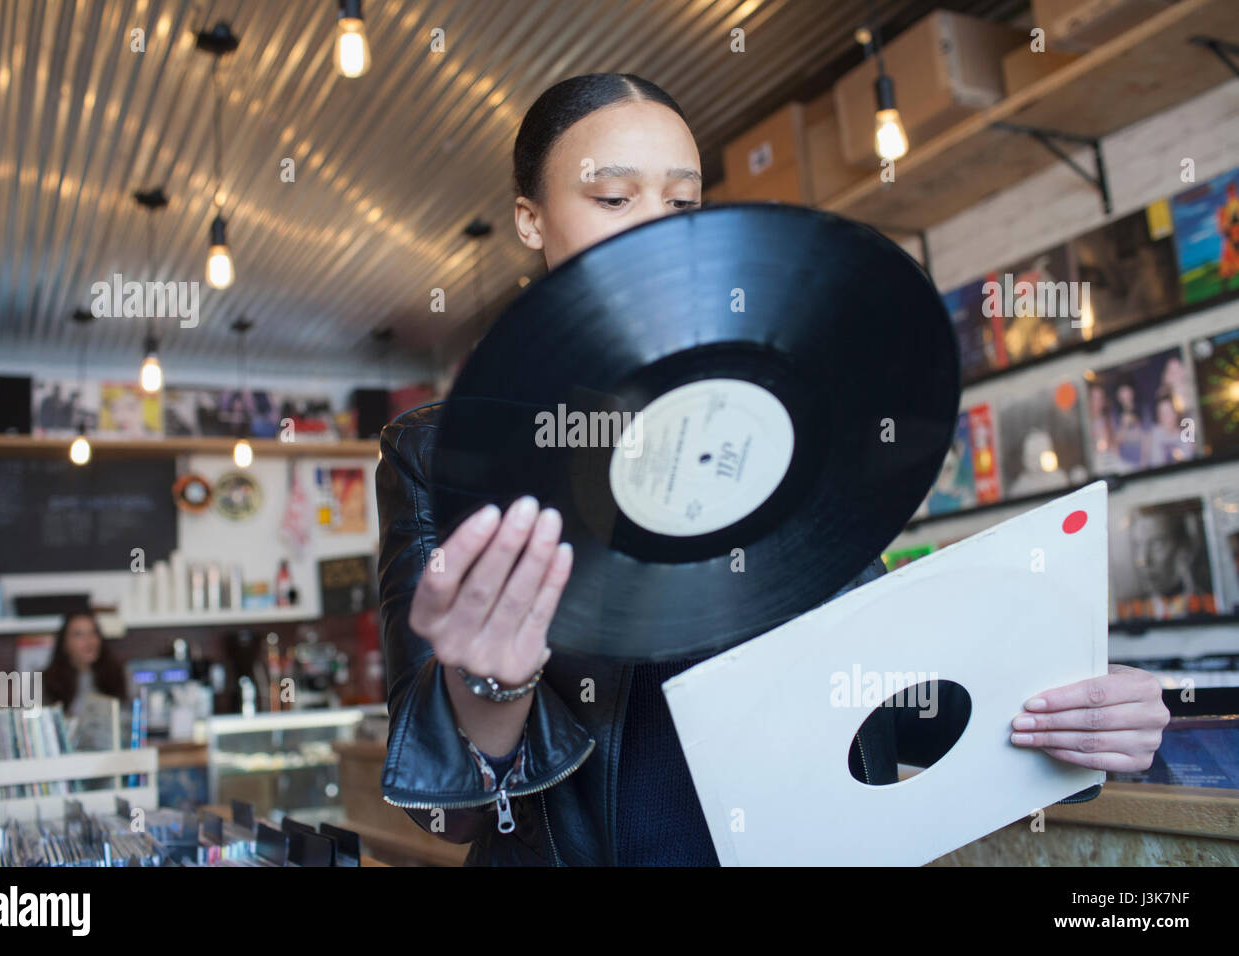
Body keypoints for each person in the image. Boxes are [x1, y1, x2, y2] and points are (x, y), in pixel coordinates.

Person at [376, 73, 1170, 867]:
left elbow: (880, 693)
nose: (656, 231)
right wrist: (491, 688)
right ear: (531, 218)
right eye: (613, 198)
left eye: (682, 204)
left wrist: (1073, 713)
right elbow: (449, 819)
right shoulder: (443, 457)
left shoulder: (785, 417)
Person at [42, 611, 127, 717]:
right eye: (79, 634)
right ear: (64, 643)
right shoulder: (47, 682)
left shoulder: (118, 674)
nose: (89, 641)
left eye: (93, 633)